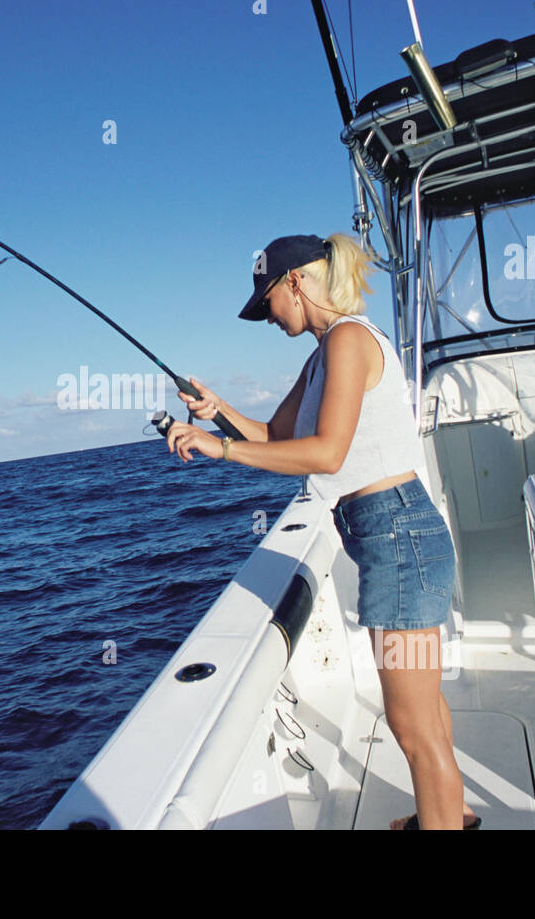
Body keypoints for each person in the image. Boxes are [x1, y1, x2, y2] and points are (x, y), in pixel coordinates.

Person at [164, 233, 479, 830]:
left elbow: (327, 454)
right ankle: (449, 815)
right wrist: (217, 409)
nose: (266, 319)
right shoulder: (322, 356)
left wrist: (219, 449)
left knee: (411, 724)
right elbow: (277, 436)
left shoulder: (351, 340)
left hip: (398, 537)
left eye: (267, 305)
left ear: (294, 283)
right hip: (390, 536)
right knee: (425, 710)